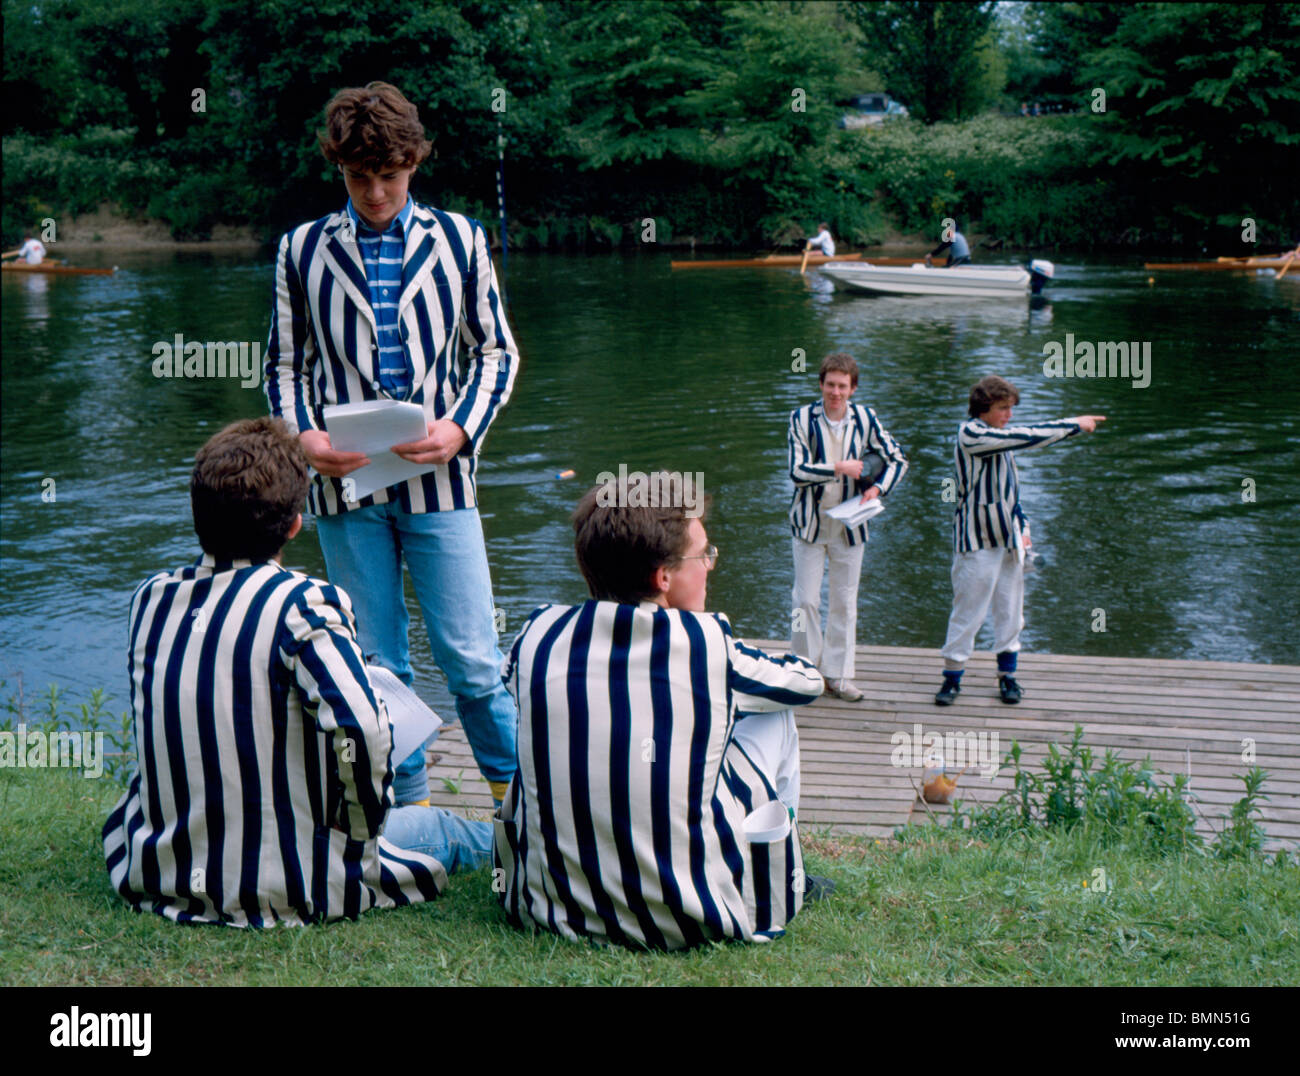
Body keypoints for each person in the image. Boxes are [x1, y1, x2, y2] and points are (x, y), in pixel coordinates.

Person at [103, 417, 493, 926]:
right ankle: (540, 846)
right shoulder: (303, 605)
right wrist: (361, 824)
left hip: (162, 868)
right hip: (289, 878)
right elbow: (361, 727)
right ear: (294, 524)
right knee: (449, 831)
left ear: (198, 514)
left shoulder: (151, 600)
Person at [264, 82, 519, 810]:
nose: (375, 192)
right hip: (345, 488)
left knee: (473, 659)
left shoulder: (462, 239)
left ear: (414, 164)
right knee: (377, 662)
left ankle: (518, 808)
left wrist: (461, 427)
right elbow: (282, 366)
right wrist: (306, 439)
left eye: (390, 175)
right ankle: (406, 811)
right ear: (338, 169)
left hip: (442, 482)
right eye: (358, 177)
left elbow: (496, 353)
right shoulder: (300, 250)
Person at [493, 477, 827, 951]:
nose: (710, 565)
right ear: (662, 577)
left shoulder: (536, 634)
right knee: (774, 716)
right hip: (688, 920)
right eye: (704, 554)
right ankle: (782, 871)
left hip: (551, 912)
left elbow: (513, 684)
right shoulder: (710, 646)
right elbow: (806, 683)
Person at [934, 376, 1106, 706]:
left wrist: (1025, 536)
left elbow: (1012, 488)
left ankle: (1007, 677)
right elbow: (1026, 437)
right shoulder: (971, 434)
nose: (1009, 416)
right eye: (1003, 409)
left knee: (1011, 611)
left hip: (1010, 538)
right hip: (976, 540)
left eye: (1011, 409)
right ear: (983, 409)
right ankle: (952, 679)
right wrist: (1073, 425)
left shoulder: (998, 434)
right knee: (967, 612)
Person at [788, 353, 908, 702]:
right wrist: (837, 467)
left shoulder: (866, 417)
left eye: (842, 386)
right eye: (830, 385)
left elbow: (898, 458)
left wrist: (878, 488)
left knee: (844, 601)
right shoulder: (801, 418)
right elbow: (796, 473)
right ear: (821, 385)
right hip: (809, 523)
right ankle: (805, 672)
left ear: (852, 389)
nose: (835, 393)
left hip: (850, 525)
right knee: (805, 601)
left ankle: (838, 675)